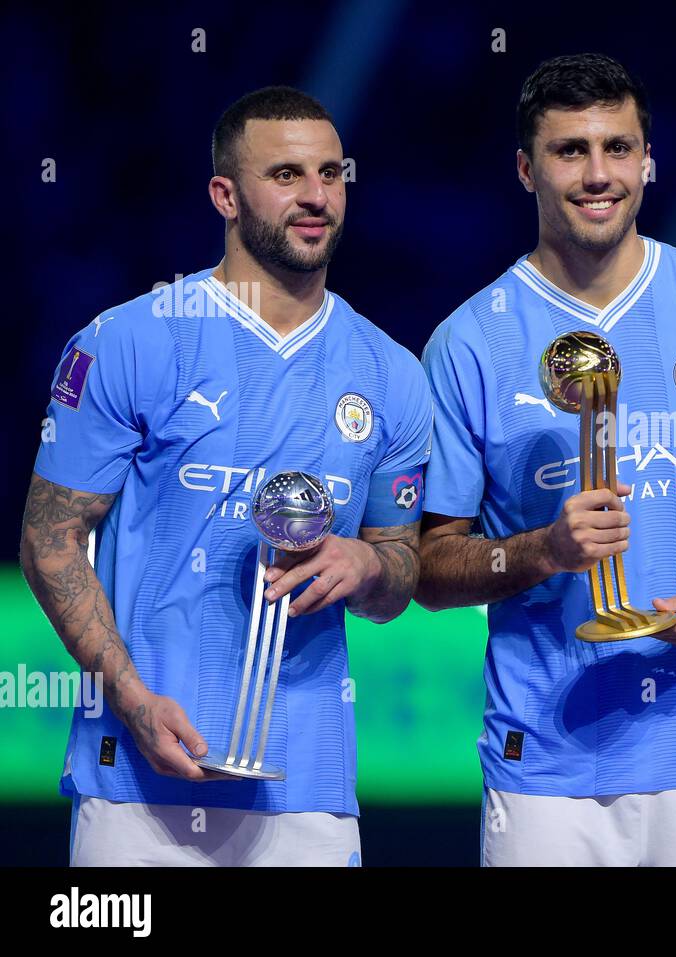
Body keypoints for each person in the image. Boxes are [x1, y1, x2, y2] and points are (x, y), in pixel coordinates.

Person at [415, 53, 676, 866]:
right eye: (570, 151)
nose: (599, 174)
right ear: (526, 168)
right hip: (549, 767)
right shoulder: (468, 342)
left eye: (619, 148)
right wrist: (543, 551)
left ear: (646, 161)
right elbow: (428, 567)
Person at [19, 86, 432, 866]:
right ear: (226, 195)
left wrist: (370, 562)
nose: (315, 196)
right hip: (133, 788)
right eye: (286, 174)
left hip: (305, 792)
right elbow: (50, 538)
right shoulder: (128, 341)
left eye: (331, 173)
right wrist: (132, 700)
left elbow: (400, 576)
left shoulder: (394, 375)